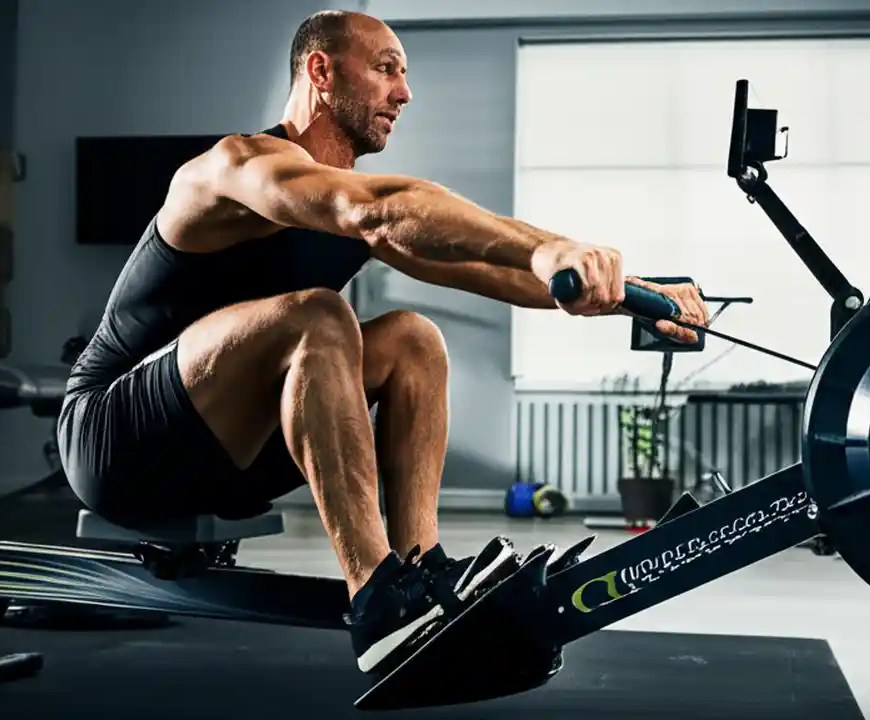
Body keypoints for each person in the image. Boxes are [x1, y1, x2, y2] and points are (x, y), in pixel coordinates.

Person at [56, 9, 709, 676]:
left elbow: (485, 266)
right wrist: (551, 246)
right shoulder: (235, 167)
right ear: (321, 70)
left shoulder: (355, 219)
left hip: (230, 453)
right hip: (114, 441)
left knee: (412, 340)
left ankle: (422, 575)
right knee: (318, 315)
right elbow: (373, 205)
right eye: (386, 69)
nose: (405, 92)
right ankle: (377, 599)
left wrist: (631, 293)